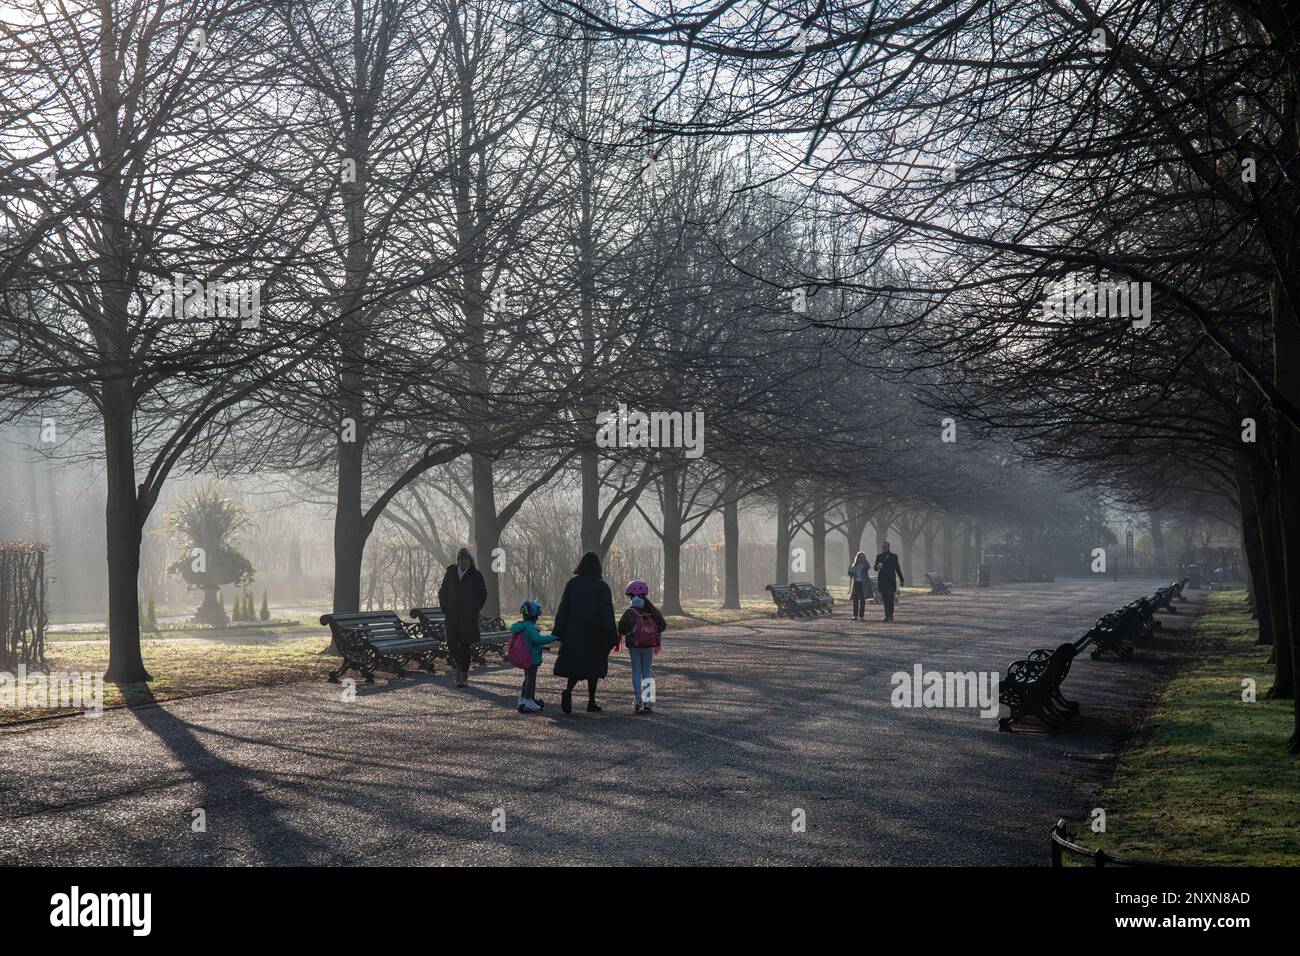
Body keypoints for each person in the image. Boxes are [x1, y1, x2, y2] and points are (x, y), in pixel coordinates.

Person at [552, 551, 617, 714]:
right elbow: (607, 613)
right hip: (595, 634)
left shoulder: (572, 584)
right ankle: (591, 701)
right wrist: (611, 635)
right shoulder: (602, 587)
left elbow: (563, 609)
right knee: (593, 668)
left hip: (574, 633)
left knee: (575, 667)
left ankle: (568, 691)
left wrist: (558, 631)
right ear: (598, 568)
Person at [437, 546, 487, 687]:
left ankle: (463, 674)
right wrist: (444, 607)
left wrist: (475, 609)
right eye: (460, 559)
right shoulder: (451, 572)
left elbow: (482, 594)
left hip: (468, 617)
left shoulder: (476, 575)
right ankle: (460, 665)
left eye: (465, 559)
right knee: (451, 644)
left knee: (465, 645)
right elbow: (443, 591)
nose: (463, 561)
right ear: (457, 560)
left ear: (469, 560)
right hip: (452, 615)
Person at [617, 579, 667, 714]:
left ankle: (638, 699)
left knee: (636, 671)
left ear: (631, 595)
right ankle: (648, 701)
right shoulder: (652, 610)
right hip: (649, 646)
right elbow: (662, 625)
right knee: (647, 671)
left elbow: (621, 629)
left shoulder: (630, 612)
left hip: (634, 646)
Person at [511, 599, 556, 713]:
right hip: (532, 657)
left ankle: (523, 699)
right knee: (531, 679)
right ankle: (528, 700)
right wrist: (554, 637)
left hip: (525, 656)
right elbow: (538, 639)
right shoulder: (530, 627)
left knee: (527, 679)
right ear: (534, 616)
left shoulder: (522, 626)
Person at [874, 541, 905, 622]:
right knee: (885, 599)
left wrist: (902, 579)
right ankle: (887, 615)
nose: (883, 548)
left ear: (888, 547)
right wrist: (877, 567)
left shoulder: (894, 556)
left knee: (890, 598)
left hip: (891, 580)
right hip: (882, 580)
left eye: (885, 547)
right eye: (882, 547)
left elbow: (897, 568)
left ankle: (891, 614)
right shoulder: (879, 556)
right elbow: (875, 568)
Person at [847, 551, 874, 620]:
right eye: (860, 557)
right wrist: (850, 572)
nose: (861, 558)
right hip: (856, 583)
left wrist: (865, 560)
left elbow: (869, 566)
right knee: (855, 600)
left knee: (862, 600)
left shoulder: (865, 565)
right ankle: (855, 615)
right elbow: (851, 574)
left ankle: (861, 616)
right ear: (857, 557)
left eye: (862, 557)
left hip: (863, 583)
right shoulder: (854, 565)